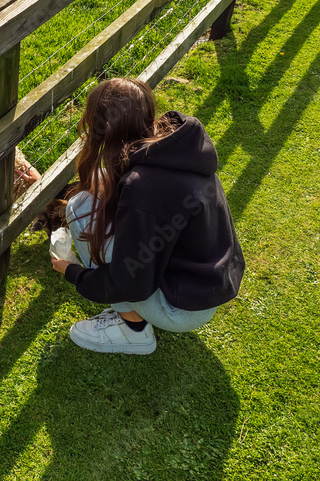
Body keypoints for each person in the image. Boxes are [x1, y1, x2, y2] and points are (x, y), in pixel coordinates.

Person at [50, 77, 244, 355]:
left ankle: (133, 330)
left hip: (180, 311)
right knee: (97, 189)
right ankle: (137, 320)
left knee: (79, 208)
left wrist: (73, 272)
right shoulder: (179, 145)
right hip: (207, 287)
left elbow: (130, 283)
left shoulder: (142, 187)